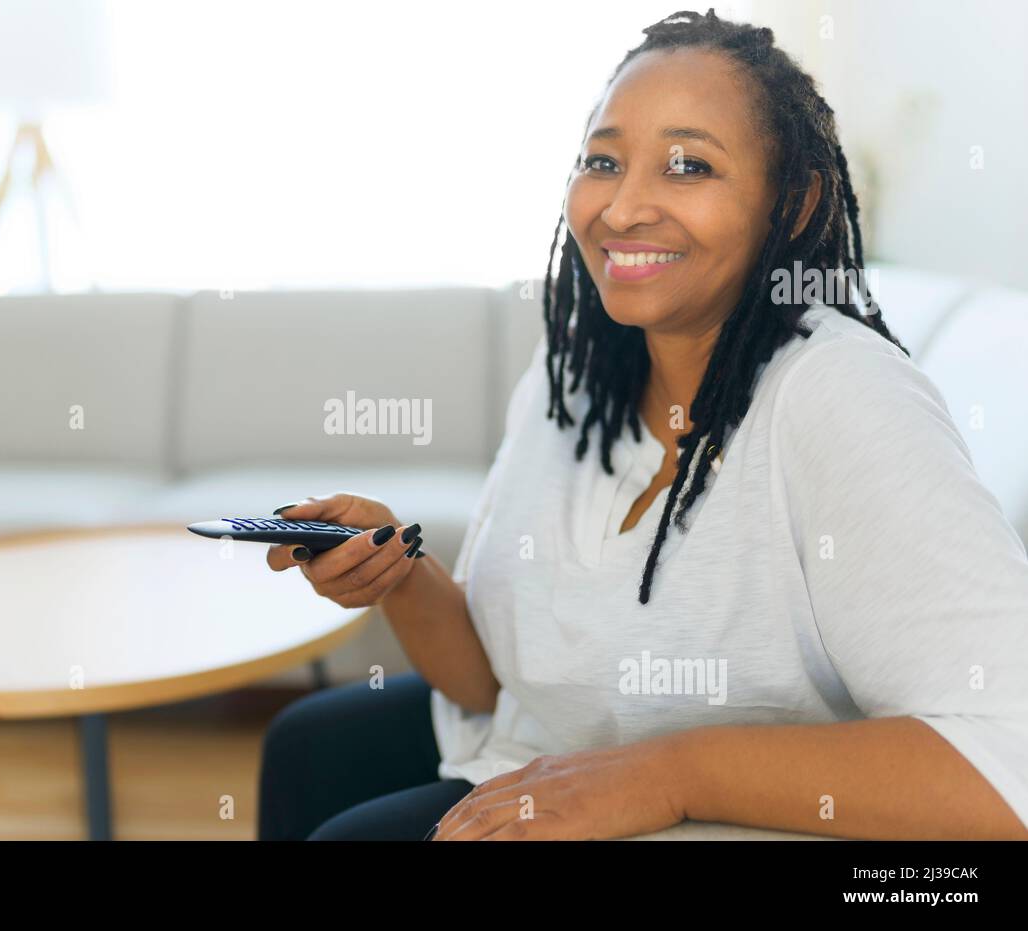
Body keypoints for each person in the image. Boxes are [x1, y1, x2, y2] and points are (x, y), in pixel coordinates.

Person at [256, 9, 1028, 841]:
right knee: (304, 747)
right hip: (548, 741)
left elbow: (1007, 766)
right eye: (603, 161)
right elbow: (493, 683)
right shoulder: (583, 367)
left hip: (735, 808)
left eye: (687, 165)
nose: (623, 209)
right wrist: (399, 571)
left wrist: (667, 774)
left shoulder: (843, 397)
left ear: (796, 203)